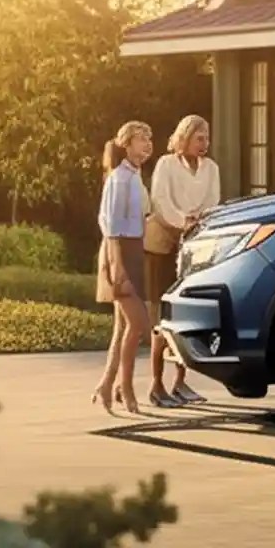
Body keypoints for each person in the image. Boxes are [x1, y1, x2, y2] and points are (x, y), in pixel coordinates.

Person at [146, 114, 221, 407]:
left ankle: (180, 382)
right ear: (185, 137)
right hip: (163, 247)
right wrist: (182, 221)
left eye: (207, 138)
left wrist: (197, 225)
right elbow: (161, 201)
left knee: (184, 317)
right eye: (199, 138)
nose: (205, 144)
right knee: (161, 319)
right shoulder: (166, 165)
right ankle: (156, 384)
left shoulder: (211, 169)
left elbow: (212, 202)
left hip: (194, 248)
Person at [92, 121, 155, 415]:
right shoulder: (119, 179)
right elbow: (112, 227)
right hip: (118, 253)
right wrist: (118, 272)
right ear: (126, 144)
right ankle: (125, 387)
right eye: (141, 139)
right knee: (138, 324)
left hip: (136, 251)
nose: (147, 144)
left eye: (148, 139)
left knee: (121, 328)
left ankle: (107, 385)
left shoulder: (137, 177)